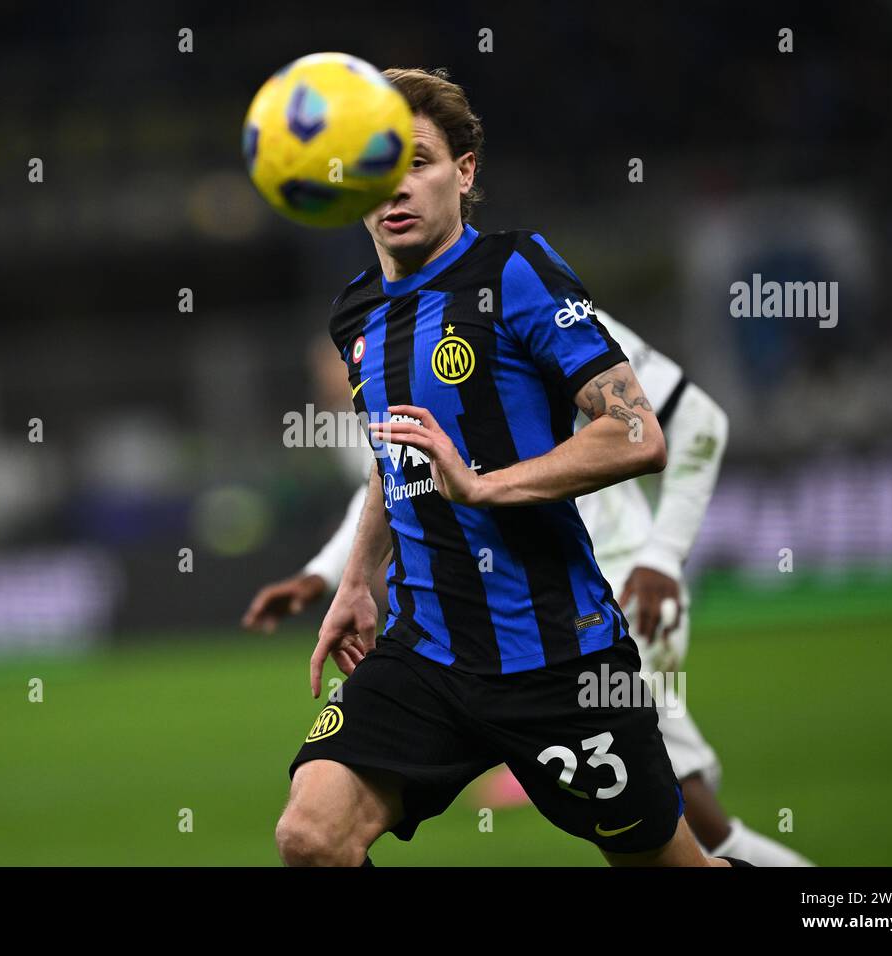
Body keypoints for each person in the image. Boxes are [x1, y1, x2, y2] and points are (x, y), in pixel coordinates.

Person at [264, 66, 749, 866]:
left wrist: (486, 485)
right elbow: (395, 461)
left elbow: (635, 434)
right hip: (425, 652)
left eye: (417, 160)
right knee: (310, 837)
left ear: (464, 170)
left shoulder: (516, 272)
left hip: (560, 658)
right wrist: (357, 579)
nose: (396, 186)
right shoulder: (353, 313)